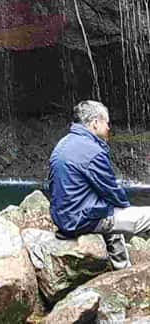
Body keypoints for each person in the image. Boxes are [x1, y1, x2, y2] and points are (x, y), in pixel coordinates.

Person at [49, 99, 150, 269]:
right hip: (81, 220)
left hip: (64, 218)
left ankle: (122, 269)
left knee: (108, 212)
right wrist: (125, 206)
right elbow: (111, 190)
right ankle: (126, 269)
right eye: (107, 123)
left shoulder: (63, 144)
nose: (109, 128)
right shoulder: (92, 151)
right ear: (95, 123)